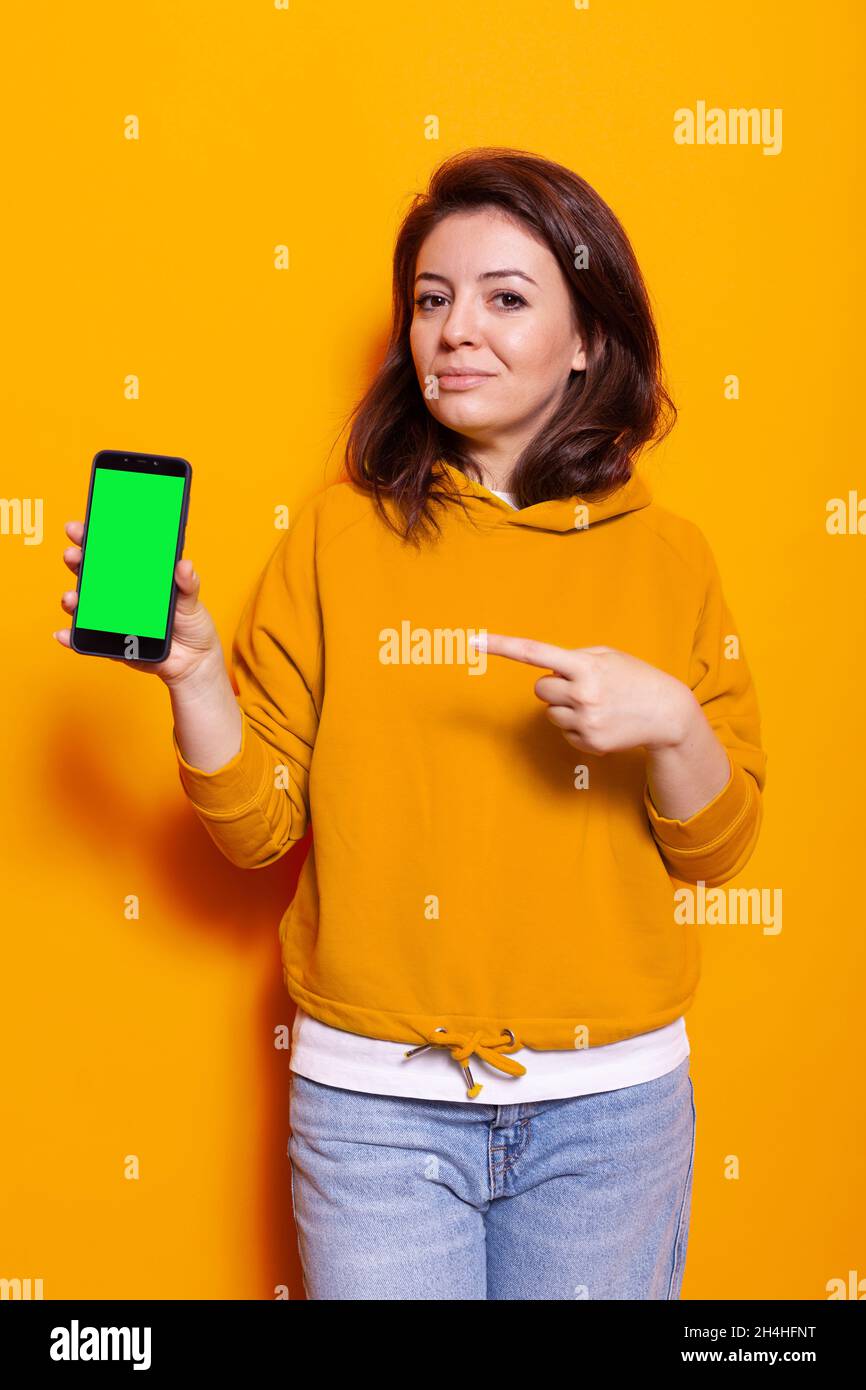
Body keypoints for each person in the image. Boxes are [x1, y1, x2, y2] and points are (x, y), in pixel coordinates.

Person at [54, 147, 766, 1300]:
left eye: (504, 297)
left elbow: (717, 847)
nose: (452, 329)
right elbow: (255, 833)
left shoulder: (668, 556)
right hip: (373, 1112)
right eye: (430, 300)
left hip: (610, 1113)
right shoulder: (337, 538)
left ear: (589, 337)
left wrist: (672, 723)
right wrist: (193, 677)